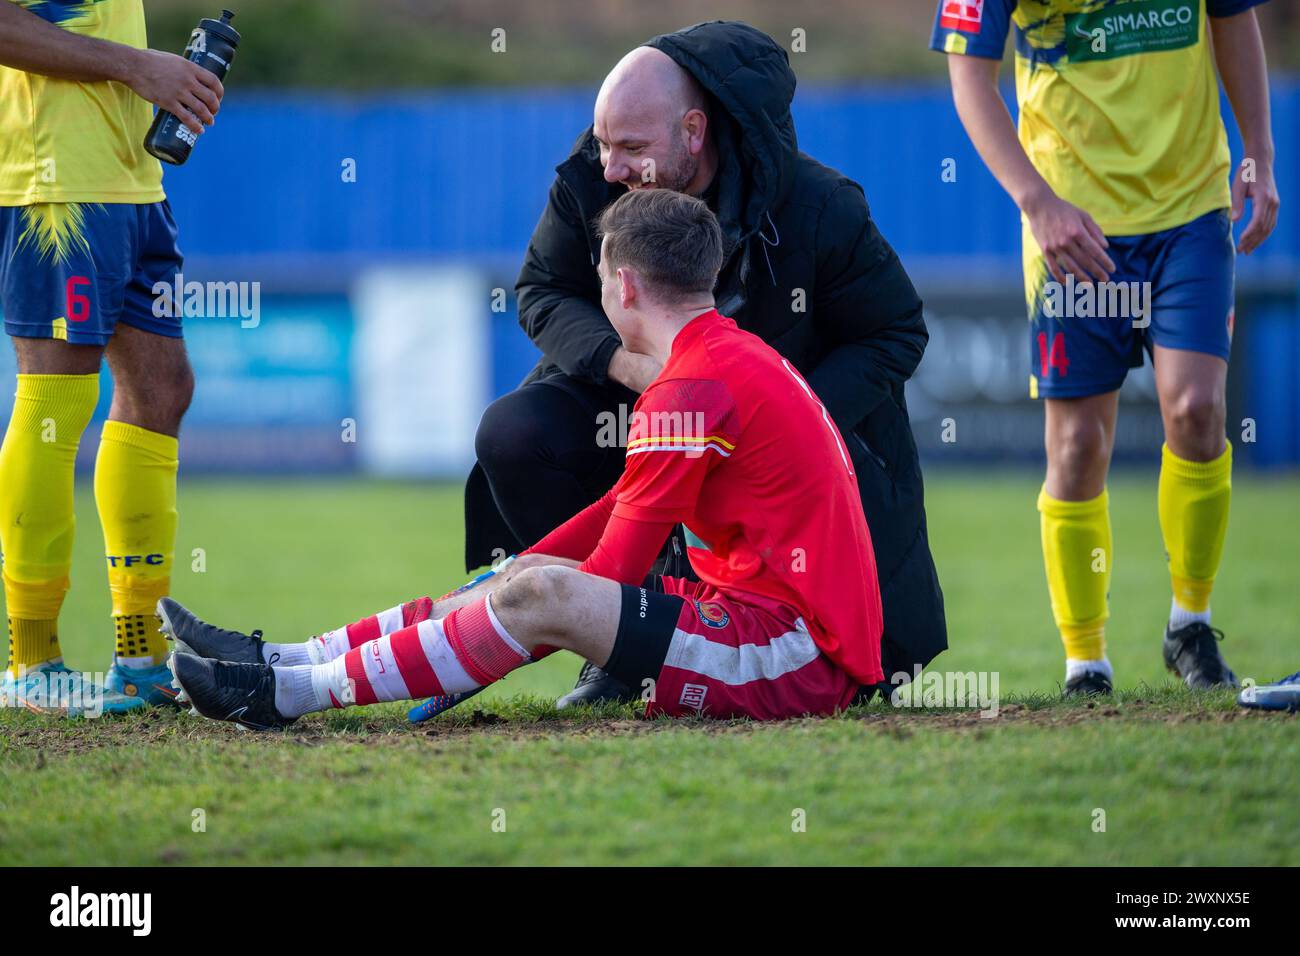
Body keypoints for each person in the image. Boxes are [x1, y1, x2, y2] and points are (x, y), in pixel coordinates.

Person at [164, 189, 885, 729]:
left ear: (623, 285)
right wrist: (508, 585)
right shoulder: (723, 357)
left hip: (797, 659)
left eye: (600, 273)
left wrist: (497, 631)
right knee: (526, 581)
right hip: (768, 625)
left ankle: (287, 694)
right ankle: (286, 661)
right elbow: (613, 512)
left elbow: (608, 580)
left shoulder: (688, 387)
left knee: (540, 596)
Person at [466, 20, 946, 707]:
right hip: (634, 402)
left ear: (695, 131)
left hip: (782, 431)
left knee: (869, 664)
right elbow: (543, 291)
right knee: (514, 433)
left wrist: (780, 422)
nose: (610, 169)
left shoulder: (820, 206)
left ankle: (779, 644)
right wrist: (627, 368)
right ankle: (618, 647)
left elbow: (895, 332)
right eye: (603, 144)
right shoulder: (592, 180)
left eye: (631, 148)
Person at [932, 0, 1280, 695]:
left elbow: (1234, 18)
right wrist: (1037, 201)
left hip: (1190, 211)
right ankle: (1085, 661)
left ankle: (1190, 625)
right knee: (1078, 445)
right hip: (1075, 224)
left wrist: (1260, 155)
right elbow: (969, 75)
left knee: (1197, 406)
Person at [0, 0, 222, 713]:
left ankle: (140, 653)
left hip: (132, 181)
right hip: (56, 184)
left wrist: (169, 79)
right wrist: (140, 67)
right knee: (57, 399)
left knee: (163, 389)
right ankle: (30, 660)